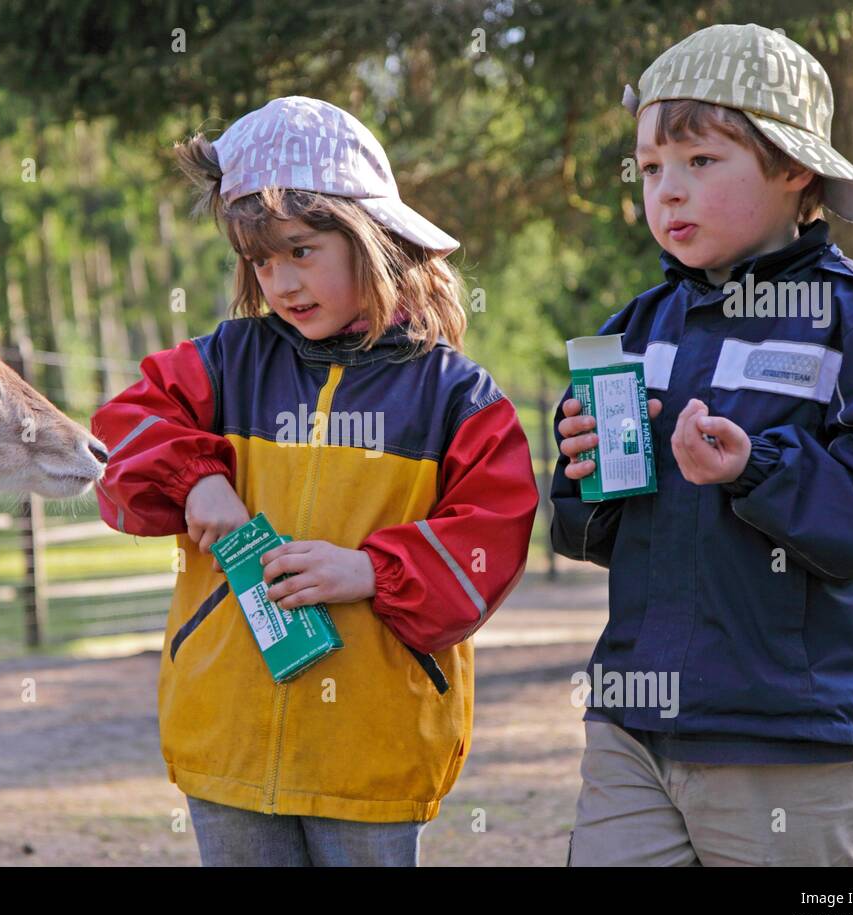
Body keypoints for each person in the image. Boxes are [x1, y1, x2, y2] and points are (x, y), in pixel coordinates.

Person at [92, 96, 539, 866]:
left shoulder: (457, 398)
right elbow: (123, 427)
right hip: (223, 735)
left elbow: (490, 538)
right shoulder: (225, 363)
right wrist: (196, 478)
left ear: (373, 238)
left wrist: (370, 570)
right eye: (262, 262)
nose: (281, 281)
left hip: (374, 748)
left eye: (301, 250)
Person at [551, 24, 853, 866]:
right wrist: (583, 469)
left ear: (793, 168)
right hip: (631, 720)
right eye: (652, 168)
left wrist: (755, 469)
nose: (668, 192)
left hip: (788, 736)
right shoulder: (632, 329)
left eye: (700, 162)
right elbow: (590, 527)